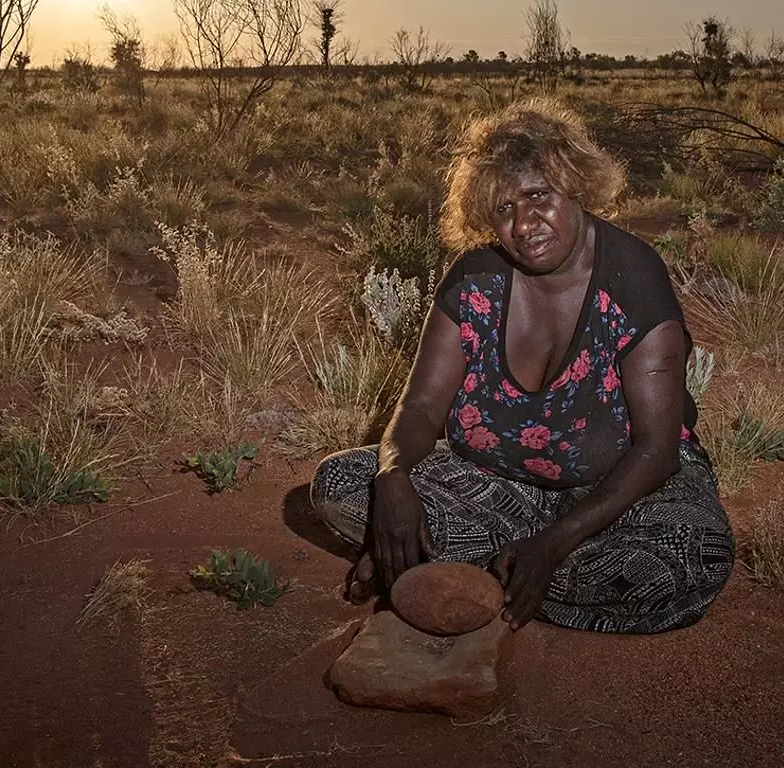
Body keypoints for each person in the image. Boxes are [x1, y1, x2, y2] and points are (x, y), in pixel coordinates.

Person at [310, 99, 734, 635]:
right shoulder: (475, 279)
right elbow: (419, 407)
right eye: (504, 209)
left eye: (539, 195)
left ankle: (476, 570)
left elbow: (657, 450)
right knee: (343, 483)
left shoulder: (633, 276)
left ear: (576, 186)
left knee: (698, 555)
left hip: (617, 493)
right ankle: (507, 571)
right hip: (503, 488)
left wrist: (555, 543)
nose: (524, 223)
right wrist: (393, 476)